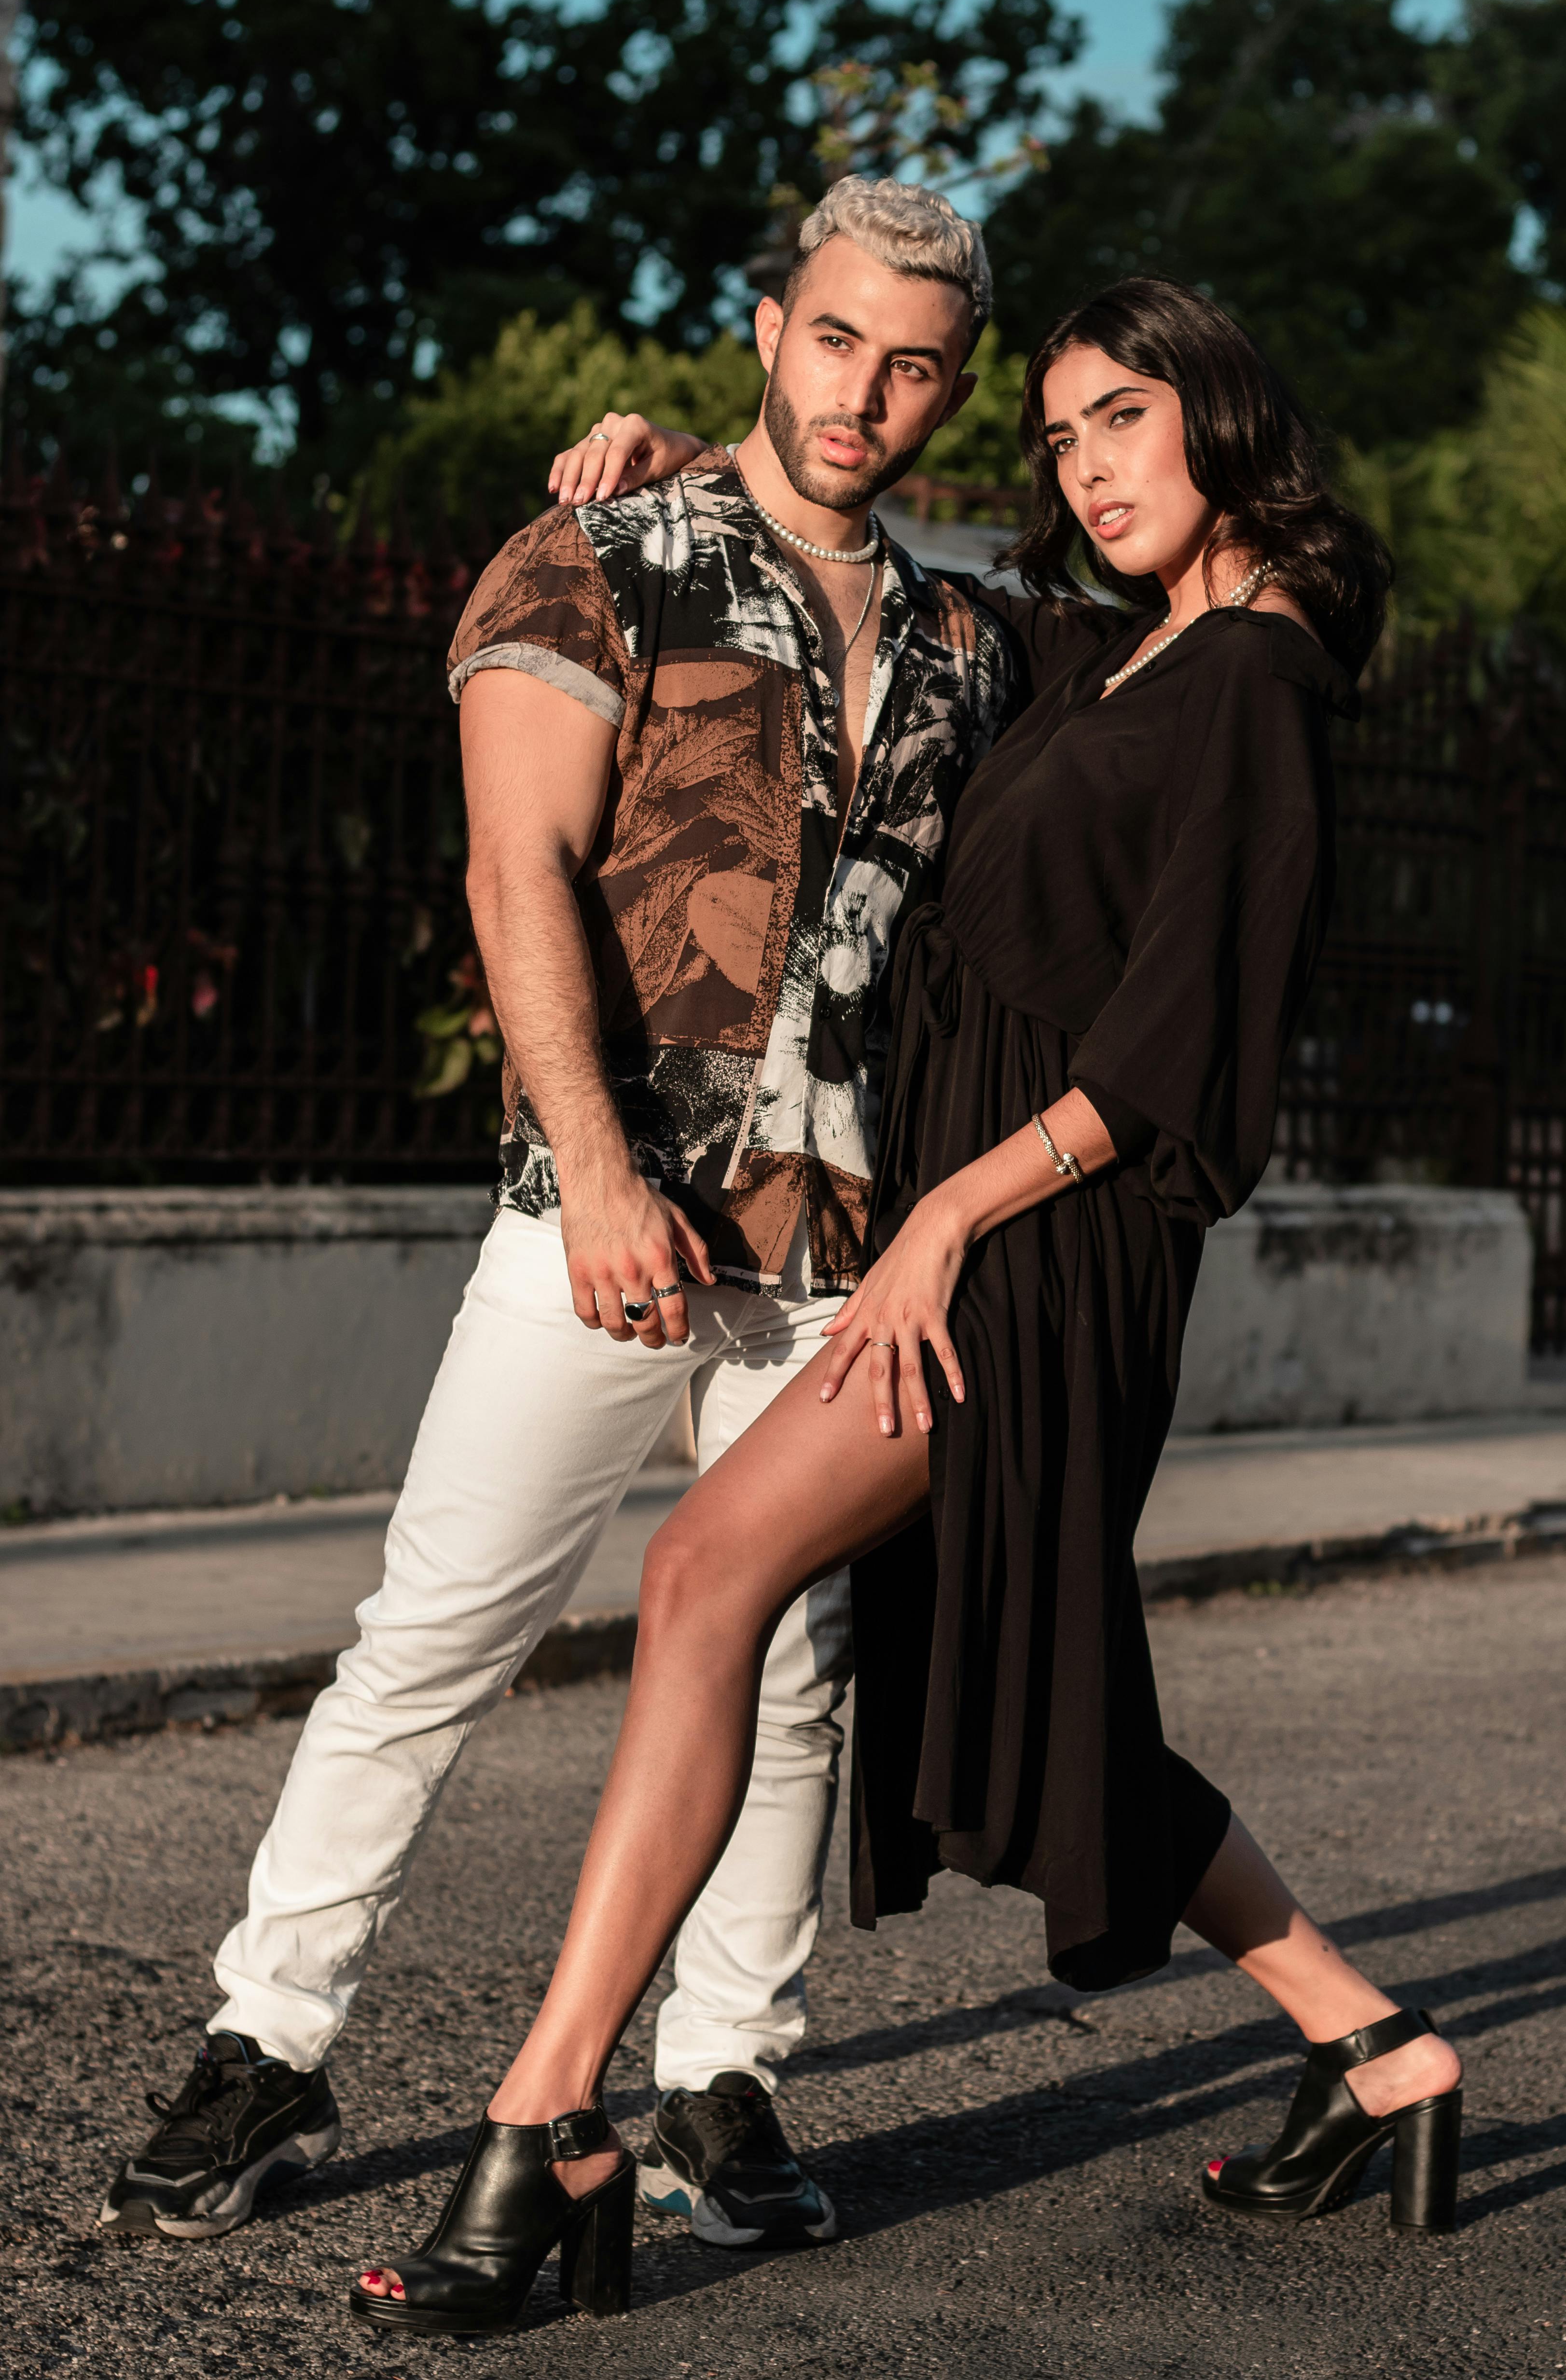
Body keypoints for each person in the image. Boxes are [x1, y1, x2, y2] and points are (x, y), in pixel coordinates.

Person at [347, 277, 1465, 2340]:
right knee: (1041, 1692)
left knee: (700, 1580)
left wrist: (946, 1212)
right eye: (1055, 438)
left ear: (1222, 412)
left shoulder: (1254, 684)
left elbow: (1178, 1061)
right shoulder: (1122, 653)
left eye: (1124, 417)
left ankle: (546, 2124)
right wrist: (703, 471)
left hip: (1036, 1258)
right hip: (971, 1245)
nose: (1089, 468)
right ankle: (1375, 2045)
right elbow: (879, 583)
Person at [100, 177, 1025, 2257]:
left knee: (791, 1667)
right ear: (767, 324)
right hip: (605, 1214)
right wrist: (597, 1166)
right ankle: (270, 2033)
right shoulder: (596, 555)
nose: (865, 390)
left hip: (843, 1243)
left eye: (913, 362)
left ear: (948, 380)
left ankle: (724, 2070)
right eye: (833, 339)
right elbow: (516, 870)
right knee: (434, 1638)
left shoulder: (977, 636)